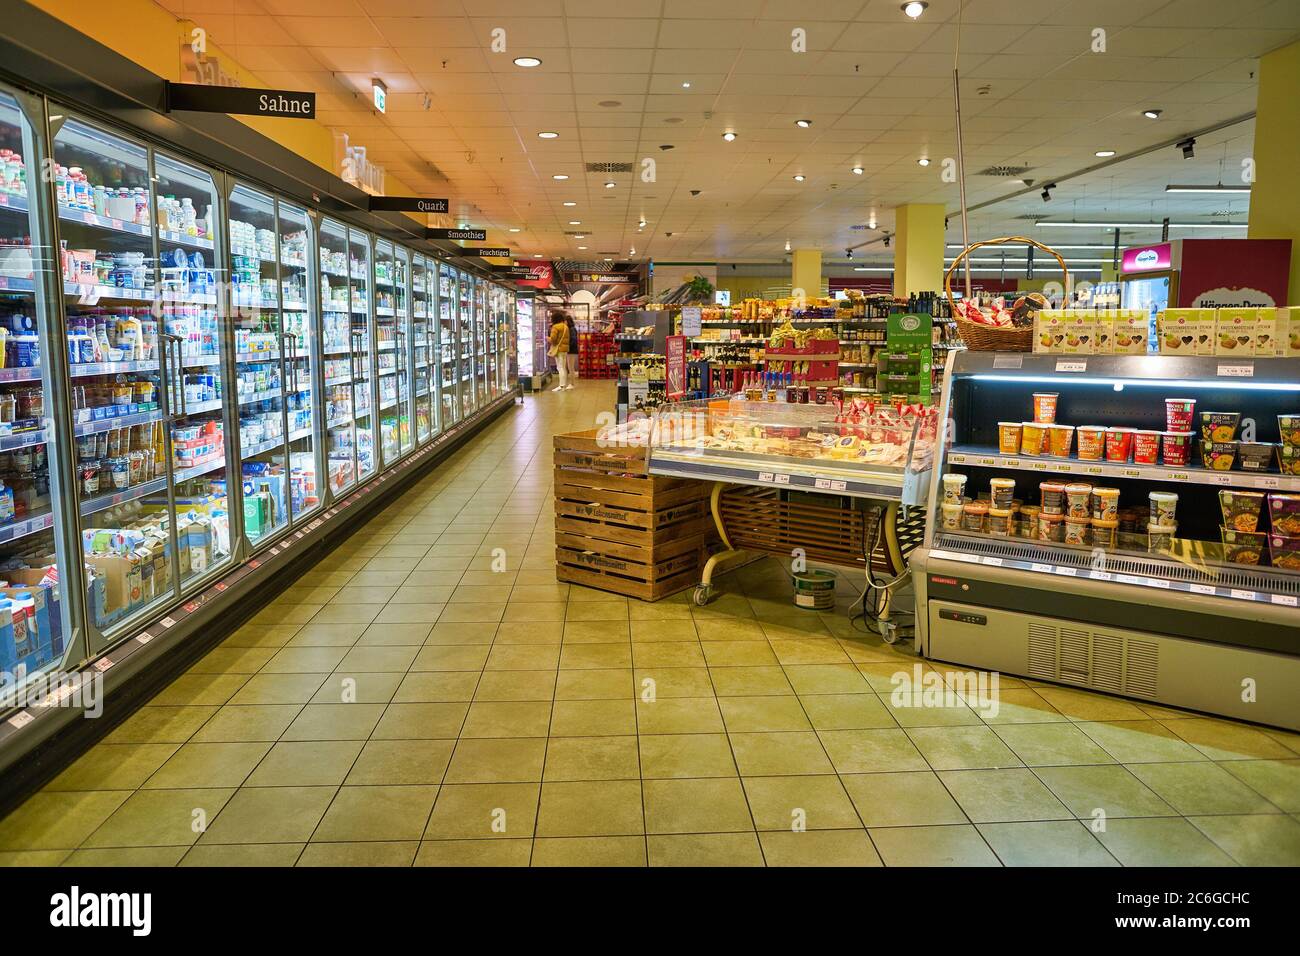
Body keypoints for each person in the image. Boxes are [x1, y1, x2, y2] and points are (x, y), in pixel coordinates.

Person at [548, 313, 571, 391]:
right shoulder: (565, 327)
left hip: (559, 349)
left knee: (560, 367)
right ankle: (563, 385)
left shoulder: (555, 327)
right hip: (564, 349)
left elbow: (553, 339)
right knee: (563, 367)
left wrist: (548, 338)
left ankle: (561, 386)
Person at [565, 314, 580, 384]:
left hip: (572, 350)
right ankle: (571, 383)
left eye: (565, 321)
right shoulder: (570, 329)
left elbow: (573, 340)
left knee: (570, 367)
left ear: (568, 321)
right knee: (569, 366)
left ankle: (572, 383)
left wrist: (568, 346)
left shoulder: (572, 329)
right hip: (571, 350)